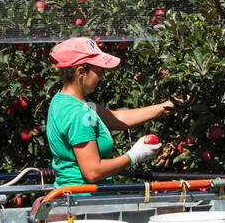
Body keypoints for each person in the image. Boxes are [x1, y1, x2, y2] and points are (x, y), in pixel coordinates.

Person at [46, 37, 181, 185]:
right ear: (81, 72)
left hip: (74, 197)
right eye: (99, 71)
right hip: (85, 200)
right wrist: (133, 156)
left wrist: (167, 106)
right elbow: (93, 171)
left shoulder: (64, 100)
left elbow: (117, 117)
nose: (102, 77)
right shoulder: (78, 113)